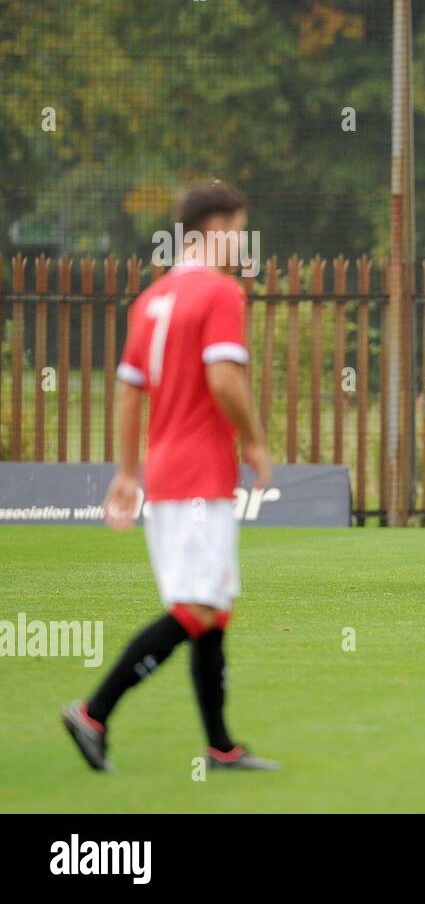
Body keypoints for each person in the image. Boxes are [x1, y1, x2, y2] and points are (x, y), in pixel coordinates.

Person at [62, 182, 278, 772]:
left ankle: (220, 746)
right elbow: (225, 381)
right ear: (215, 228)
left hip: (166, 468)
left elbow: (130, 389)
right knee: (198, 609)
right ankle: (94, 711)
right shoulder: (218, 293)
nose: (241, 241)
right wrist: (255, 439)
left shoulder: (152, 298)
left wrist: (128, 472)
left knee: (214, 606)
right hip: (200, 473)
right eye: (238, 228)